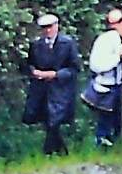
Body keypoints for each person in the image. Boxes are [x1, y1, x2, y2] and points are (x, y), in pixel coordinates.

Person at [84, 11, 122, 146]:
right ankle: (101, 142)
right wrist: (116, 57)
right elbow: (96, 65)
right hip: (106, 86)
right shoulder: (105, 40)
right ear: (117, 26)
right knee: (105, 116)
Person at [22, 13, 79, 154]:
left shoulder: (68, 43)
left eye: (50, 27)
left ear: (57, 26)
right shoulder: (35, 44)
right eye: (44, 28)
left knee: (55, 120)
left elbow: (74, 68)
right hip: (41, 89)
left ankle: (49, 152)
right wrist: (35, 73)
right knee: (46, 120)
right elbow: (28, 65)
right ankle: (59, 152)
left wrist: (56, 75)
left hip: (61, 89)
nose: (47, 31)